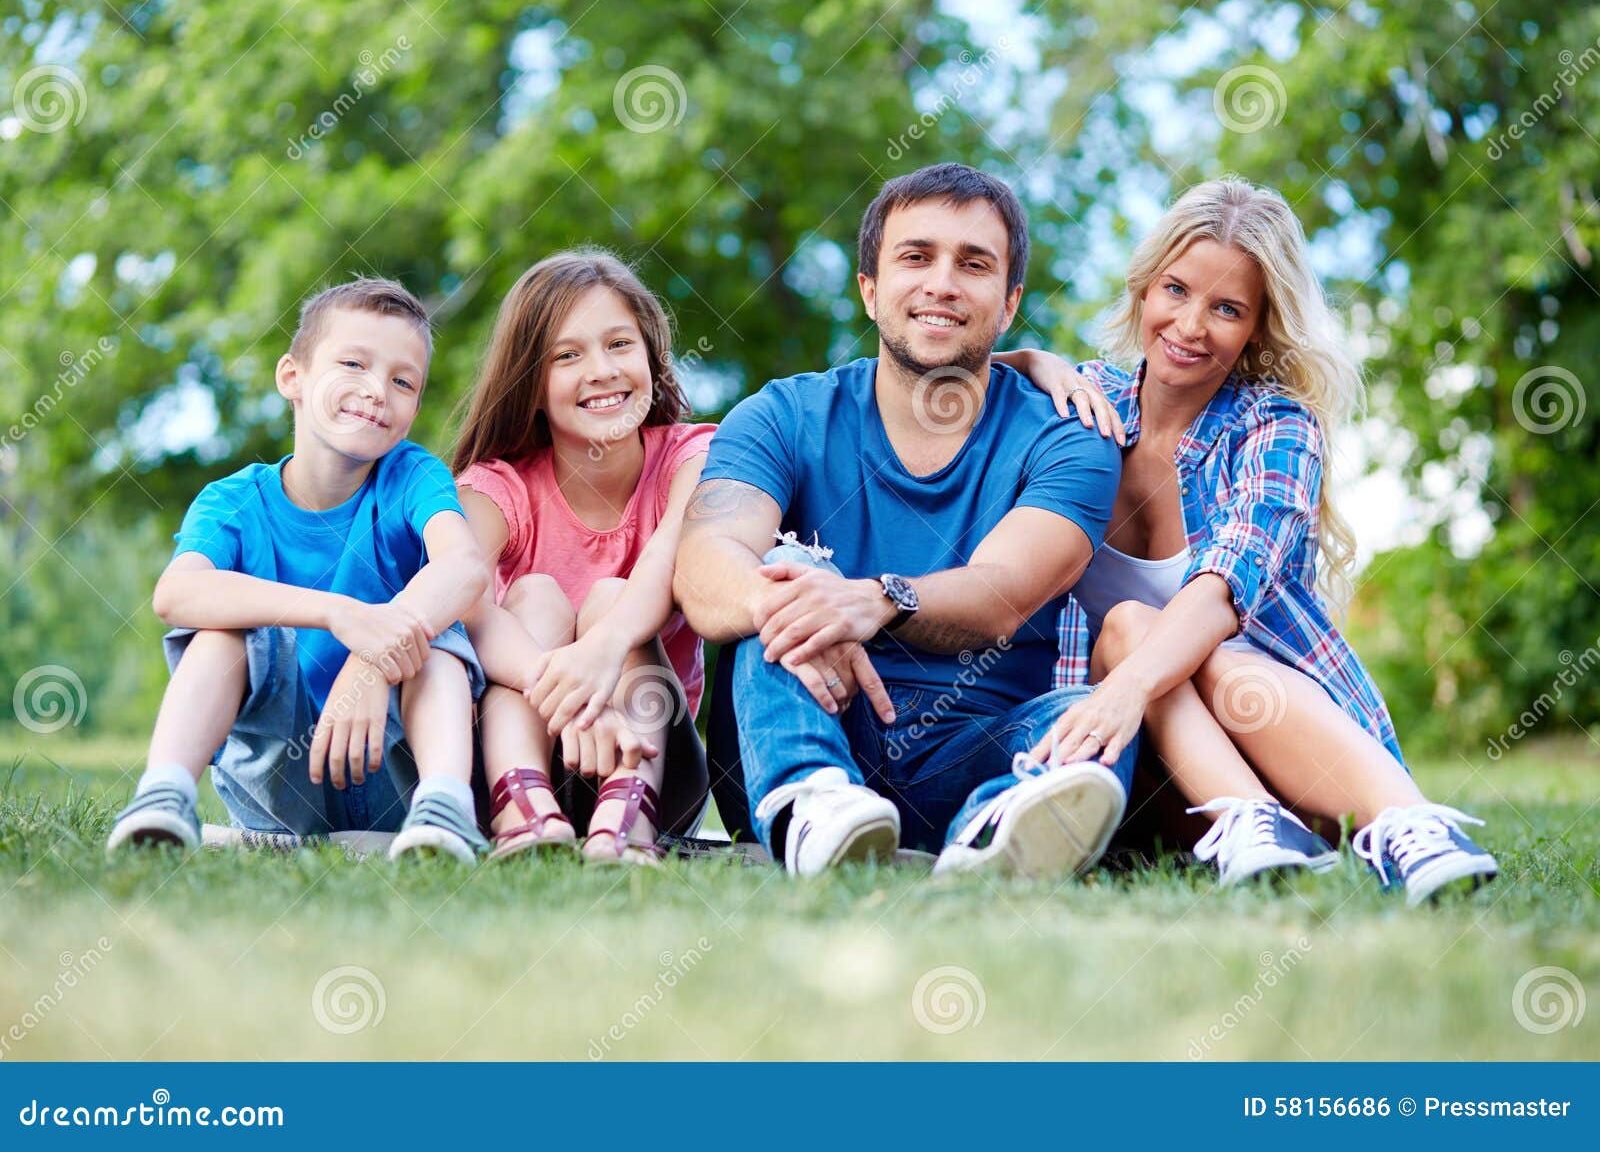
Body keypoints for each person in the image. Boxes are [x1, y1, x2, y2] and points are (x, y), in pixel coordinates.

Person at [1036, 178, 1498, 904]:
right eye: (1176, 290)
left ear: (1258, 326)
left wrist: (1127, 684)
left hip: (1294, 759)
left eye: (1226, 308)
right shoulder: (1079, 403)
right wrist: (1033, 361)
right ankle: (1249, 823)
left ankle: (1403, 825)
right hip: (1148, 785)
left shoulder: (1277, 424)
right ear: (1142, 290)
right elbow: (960, 378)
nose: (1190, 325)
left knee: (1173, 636)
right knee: (1128, 627)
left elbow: (1226, 583)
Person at [676, 163, 1131, 879]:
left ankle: (997, 827)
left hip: (977, 742)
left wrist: (872, 601)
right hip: (806, 708)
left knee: (1094, 713)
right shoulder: (782, 415)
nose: (942, 283)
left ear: (1009, 302)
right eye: (915, 257)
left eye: (973, 265)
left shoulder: (1070, 437)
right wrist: (795, 601)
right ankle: (815, 805)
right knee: (783, 579)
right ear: (868, 288)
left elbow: (1003, 594)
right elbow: (704, 566)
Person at [107, 278, 492, 863]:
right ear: (293, 377)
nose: (376, 390)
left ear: (415, 406)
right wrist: (340, 615)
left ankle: (444, 808)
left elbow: (464, 568)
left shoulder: (413, 476)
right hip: (280, 782)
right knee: (222, 630)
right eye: (354, 363)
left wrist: (370, 660)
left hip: (398, 771)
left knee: (437, 630)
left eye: (402, 380)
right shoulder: (234, 500)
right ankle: (163, 797)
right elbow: (176, 592)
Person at [453, 250, 712, 864]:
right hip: (518, 752)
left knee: (612, 598)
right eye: (567, 356)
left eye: (619, 345)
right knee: (533, 597)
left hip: (653, 760)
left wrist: (600, 653)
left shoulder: (694, 457)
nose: (601, 370)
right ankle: (523, 813)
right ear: (531, 386)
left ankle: (627, 823)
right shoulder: (496, 488)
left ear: (651, 357)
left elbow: (662, 562)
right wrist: (566, 690)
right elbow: (456, 600)